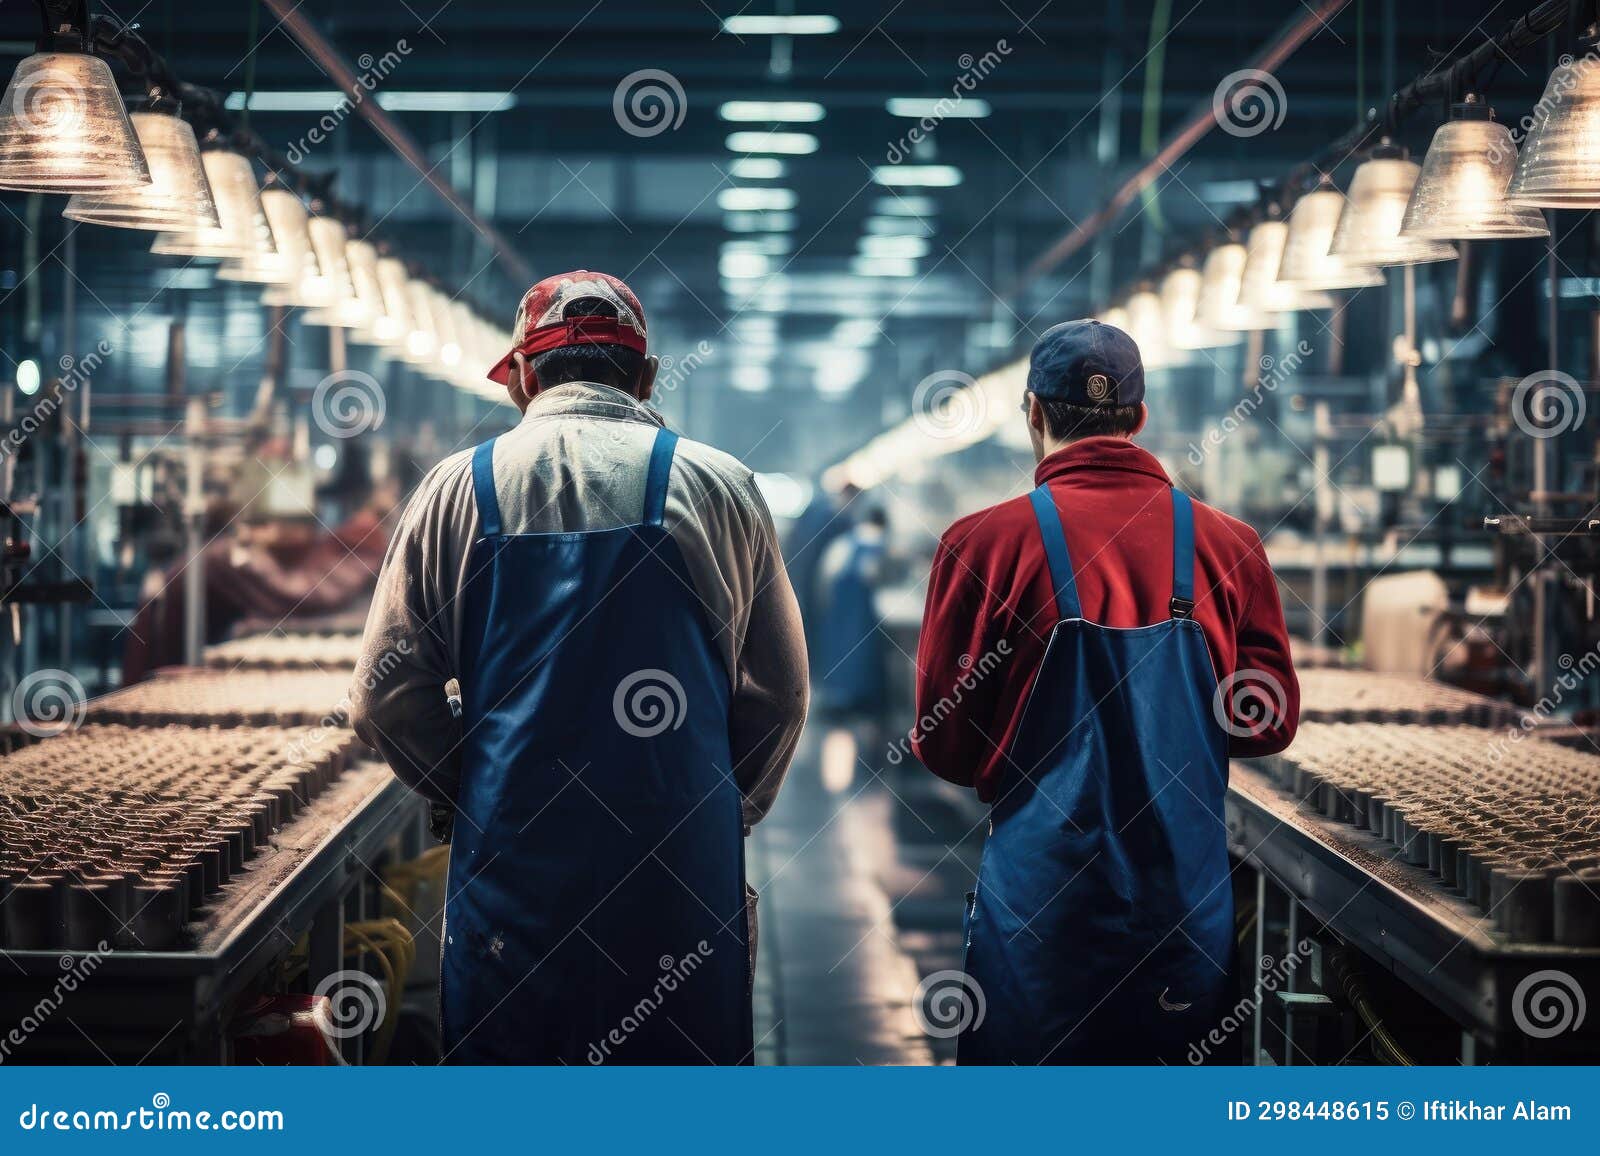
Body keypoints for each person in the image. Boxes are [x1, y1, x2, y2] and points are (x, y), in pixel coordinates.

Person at [350, 271, 809, 1065]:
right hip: (677, 870)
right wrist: (721, 800)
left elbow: (382, 699)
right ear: (646, 376)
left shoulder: (452, 491)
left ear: (523, 376)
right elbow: (781, 693)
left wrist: (478, 788)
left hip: (515, 875)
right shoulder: (721, 485)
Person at [911, 319, 1298, 1065]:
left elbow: (945, 743)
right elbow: (1269, 720)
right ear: (1140, 419)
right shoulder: (1231, 545)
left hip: (1039, 907)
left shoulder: (980, 544)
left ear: (1032, 411)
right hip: (1181, 907)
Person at [813, 506, 889, 724]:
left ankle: (837, 699)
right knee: (861, 656)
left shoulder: (843, 544)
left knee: (838, 654)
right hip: (864, 617)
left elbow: (824, 580)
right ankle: (858, 699)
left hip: (838, 614)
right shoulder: (881, 545)